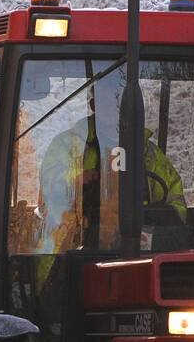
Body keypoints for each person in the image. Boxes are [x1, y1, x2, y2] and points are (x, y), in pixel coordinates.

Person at [38, 100, 186, 252]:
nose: (113, 106)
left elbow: (176, 203)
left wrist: (148, 228)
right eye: (106, 98)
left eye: (118, 100)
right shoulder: (68, 145)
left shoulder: (149, 153)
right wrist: (76, 180)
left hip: (140, 255)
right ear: (93, 104)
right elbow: (48, 184)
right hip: (72, 250)